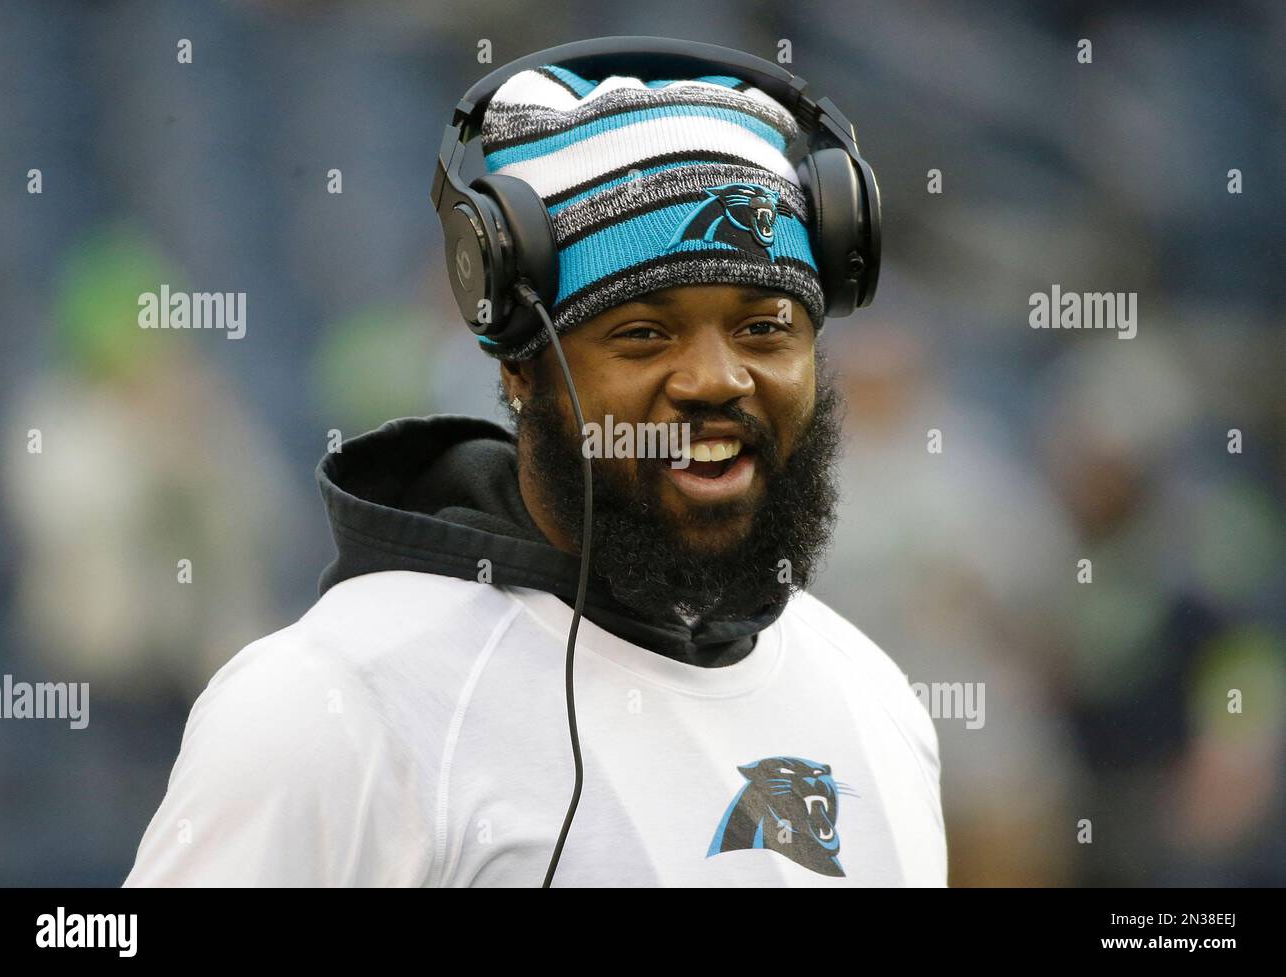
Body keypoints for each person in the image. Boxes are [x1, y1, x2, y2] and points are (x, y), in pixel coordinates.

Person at [125, 62, 946, 887]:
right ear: (521, 367)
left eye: (764, 328)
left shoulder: (873, 695)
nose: (719, 379)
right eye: (643, 333)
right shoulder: (336, 702)